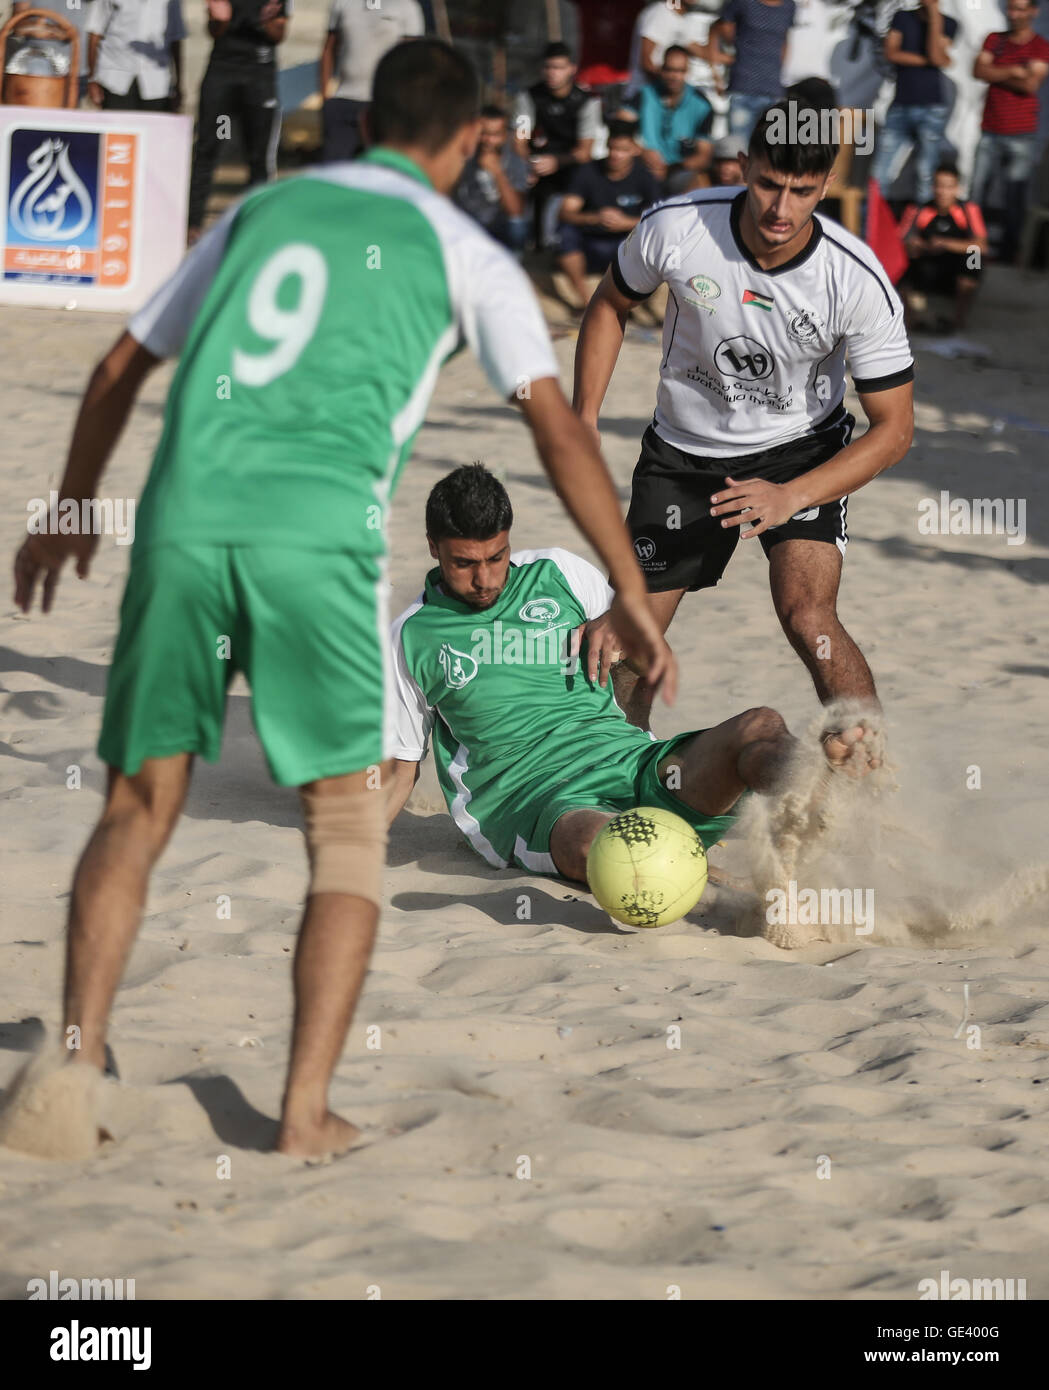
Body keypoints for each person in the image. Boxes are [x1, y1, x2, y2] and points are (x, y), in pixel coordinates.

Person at [12, 39, 673, 1161]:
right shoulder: (466, 251)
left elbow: (122, 365)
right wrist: (629, 590)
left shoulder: (263, 209)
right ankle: (304, 1111)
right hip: (312, 541)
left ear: (363, 129)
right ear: (470, 142)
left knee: (135, 805)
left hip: (181, 516)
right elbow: (556, 428)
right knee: (344, 835)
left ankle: (70, 1069)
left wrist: (70, 509)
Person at [572, 101, 915, 749]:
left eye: (802, 192)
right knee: (628, 639)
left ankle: (869, 769)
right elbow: (610, 304)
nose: (780, 209)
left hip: (799, 456)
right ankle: (619, 773)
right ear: (743, 167)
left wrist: (789, 496)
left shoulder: (855, 278)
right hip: (680, 456)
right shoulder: (676, 227)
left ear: (824, 186)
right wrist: (584, 416)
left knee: (805, 614)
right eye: (767, 184)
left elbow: (893, 430)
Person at [386, 465, 877, 887]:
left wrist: (629, 633)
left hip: (629, 760)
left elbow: (648, 663)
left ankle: (816, 785)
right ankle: (719, 880)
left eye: (496, 557)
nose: (486, 579)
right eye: (465, 564)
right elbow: (401, 767)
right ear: (434, 547)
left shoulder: (558, 573)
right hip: (539, 802)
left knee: (761, 726)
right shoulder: (412, 636)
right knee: (605, 846)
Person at [186, 0, 293, 243]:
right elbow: (213, 31)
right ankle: (193, 223)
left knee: (258, 155)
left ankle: (257, 223)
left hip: (259, 75)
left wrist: (265, 21)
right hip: (222, 73)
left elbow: (279, 35)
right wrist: (220, 21)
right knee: (208, 149)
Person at [971, 0, 1049, 265]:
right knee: (977, 193)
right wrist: (1014, 70)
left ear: (1033, 11)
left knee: (1014, 196)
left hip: (1021, 132)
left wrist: (996, 72)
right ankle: (972, 255)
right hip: (990, 128)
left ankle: (1008, 257)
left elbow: (1030, 84)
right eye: (1011, 8)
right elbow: (978, 70)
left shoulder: (1039, 45)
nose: (1014, 14)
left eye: (1020, 9)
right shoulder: (995, 39)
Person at [557, 120, 661, 308]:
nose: (615, 155)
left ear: (635, 150)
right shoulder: (588, 171)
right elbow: (565, 212)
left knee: (656, 238)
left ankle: (640, 305)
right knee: (565, 233)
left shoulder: (645, 176)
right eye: (612, 148)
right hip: (591, 241)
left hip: (625, 244)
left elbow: (659, 219)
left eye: (622, 150)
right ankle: (586, 302)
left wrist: (627, 222)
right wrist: (595, 217)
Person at [512, 41, 604, 248]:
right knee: (517, 175)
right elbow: (519, 140)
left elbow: (585, 152)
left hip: (572, 165)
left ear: (572, 69)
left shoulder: (587, 102)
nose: (553, 73)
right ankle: (526, 244)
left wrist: (557, 161)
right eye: (548, 67)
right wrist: (530, 163)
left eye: (559, 68)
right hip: (537, 165)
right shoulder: (529, 97)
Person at [870, 0, 957, 208]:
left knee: (926, 173)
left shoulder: (950, 23)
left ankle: (922, 228)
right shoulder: (902, 17)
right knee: (880, 171)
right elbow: (891, 53)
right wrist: (928, 61)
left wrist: (935, 16)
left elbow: (936, 55)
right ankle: (872, 224)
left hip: (932, 109)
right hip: (900, 104)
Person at [319, 0, 424, 164]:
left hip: (384, 106)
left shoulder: (406, 6)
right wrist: (325, 97)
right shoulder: (342, 3)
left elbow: (414, 59)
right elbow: (328, 49)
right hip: (344, 101)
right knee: (334, 173)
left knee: (379, 173)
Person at [899, 164, 987, 331]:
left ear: (957, 189)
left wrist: (945, 244)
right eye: (939, 186)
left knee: (974, 256)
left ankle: (959, 319)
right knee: (901, 257)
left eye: (948, 187)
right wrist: (918, 245)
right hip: (926, 267)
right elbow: (901, 240)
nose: (943, 192)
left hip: (956, 270)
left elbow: (982, 245)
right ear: (932, 186)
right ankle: (910, 318)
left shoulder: (969, 210)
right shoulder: (918, 209)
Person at [631, 44, 713, 195]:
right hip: (643, 167)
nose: (674, 76)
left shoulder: (702, 104)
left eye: (680, 71)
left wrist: (672, 168)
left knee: (700, 182)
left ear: (687, 71)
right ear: (662, 69)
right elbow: (620, 129)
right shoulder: (644, 95)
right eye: (669, 69)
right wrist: (642, 152)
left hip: (679, 170)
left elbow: (704, 156)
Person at [711, 0, 796, 143]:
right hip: (743, 88)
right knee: (739, 148)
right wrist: (716, 62)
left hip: (773, 91)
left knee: (771, 154)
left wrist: (778, 70)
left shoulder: (789, 5)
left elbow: (784, 41)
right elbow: (718, 28)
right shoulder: (744, 2)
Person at [453, 104, 531, 254]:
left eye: (495, 135)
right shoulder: (462, 154)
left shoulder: (515, 158)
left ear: (505, 135)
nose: (488, 140)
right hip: (469, 221)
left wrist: (497, 172)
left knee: (517, 227)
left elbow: (516, 211)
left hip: (500, 224)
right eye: (483, 134)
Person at [85, 0, 185, 113]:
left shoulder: (172, 2)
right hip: (115, 80)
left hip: (157, 84)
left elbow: (176, 39)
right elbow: (95, 32)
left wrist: (178, 83)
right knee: (118, 129)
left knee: (154, 129)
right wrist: (92, 79)